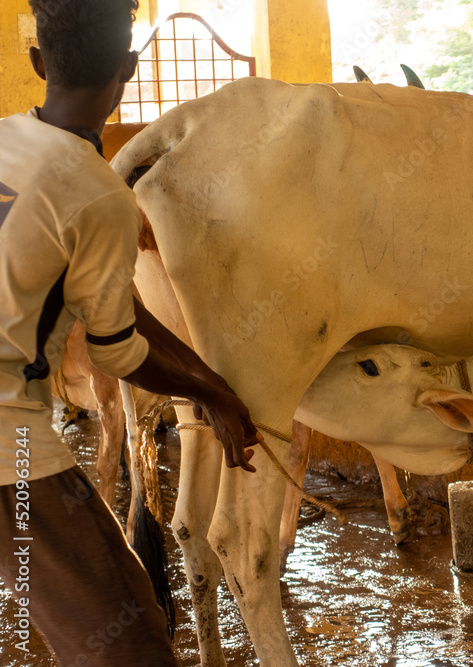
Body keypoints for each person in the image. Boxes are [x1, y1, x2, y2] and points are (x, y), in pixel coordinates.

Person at [0, 1, 261, 664]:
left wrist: (205, 382)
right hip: (10, 454)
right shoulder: (97, 194)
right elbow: (120, 347)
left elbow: (116, 308)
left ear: (37, 63)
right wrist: (222, 398)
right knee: (128, 639)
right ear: (130, 68)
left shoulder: (6, 140)